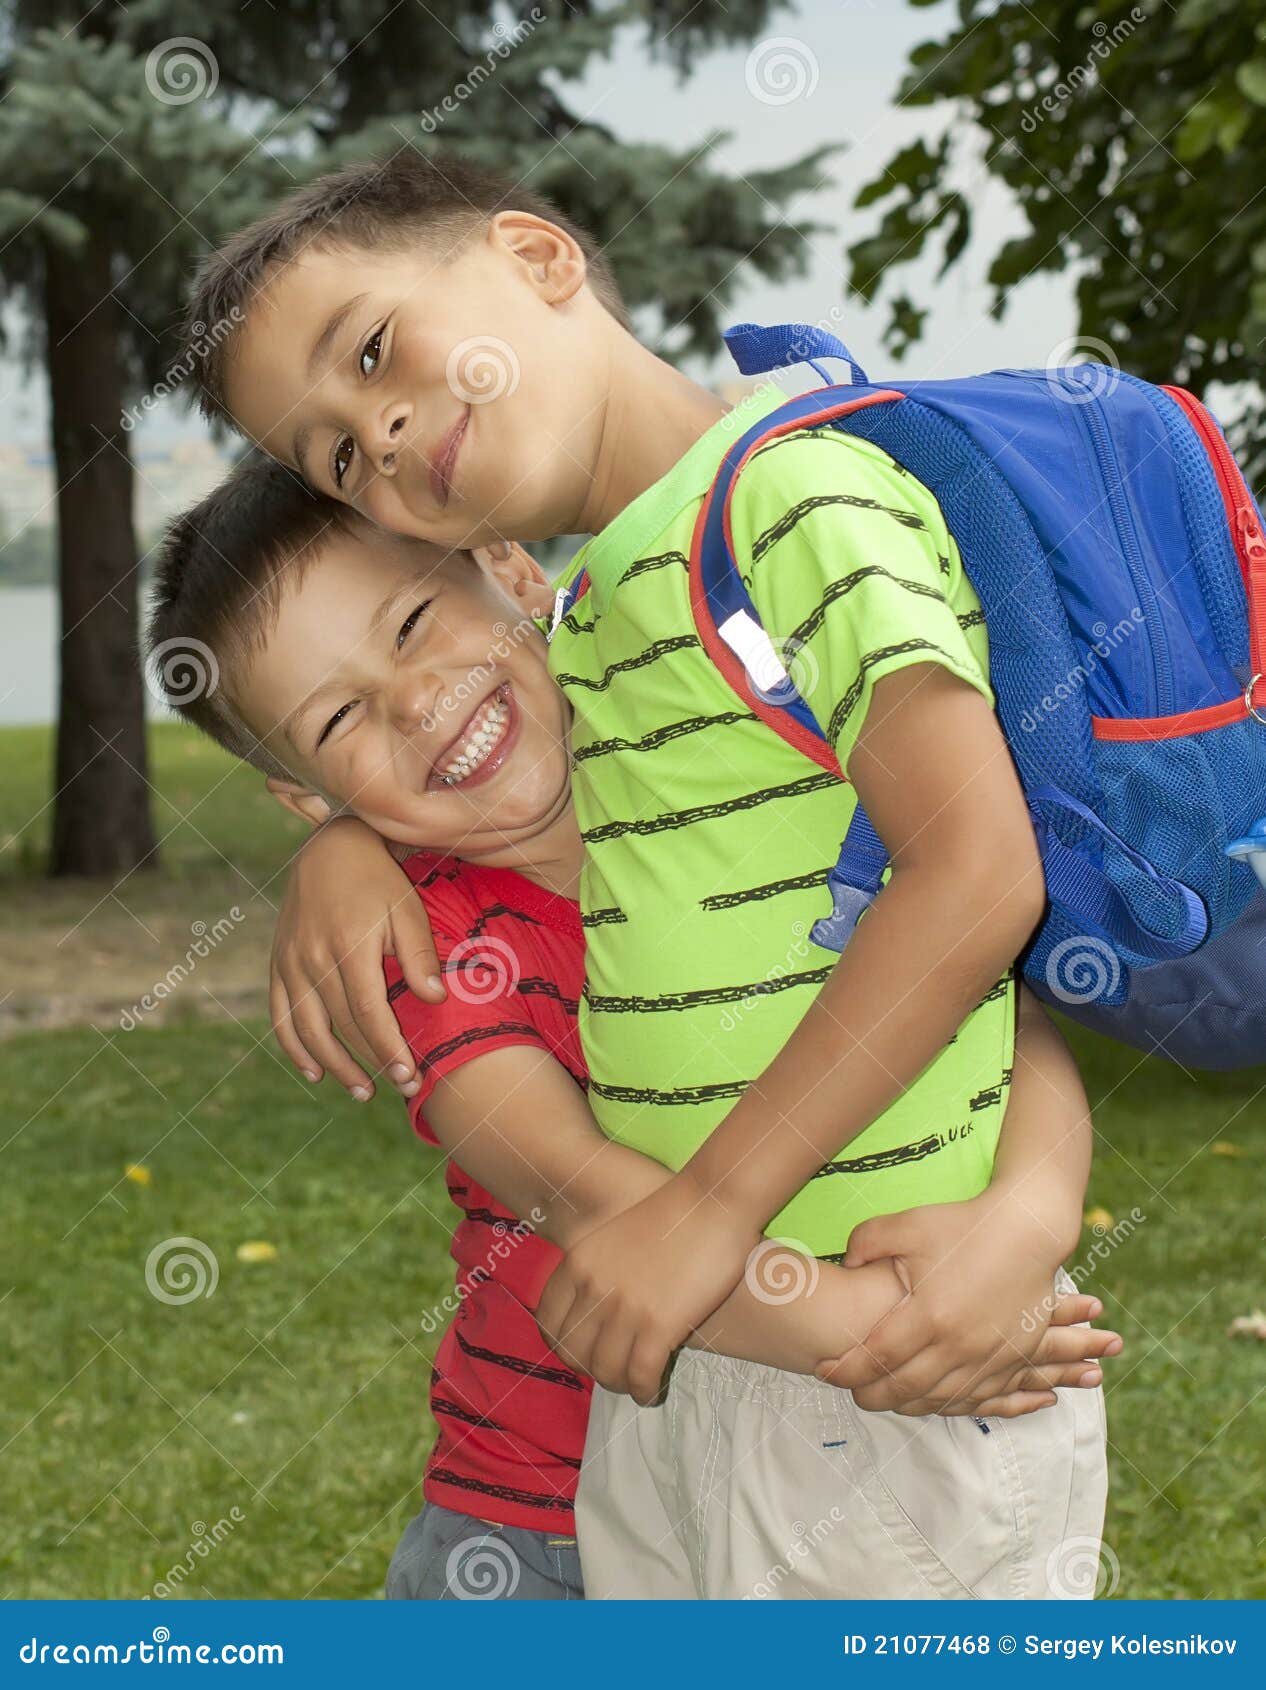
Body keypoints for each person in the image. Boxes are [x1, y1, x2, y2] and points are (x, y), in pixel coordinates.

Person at [179, 152, 1112, 1596]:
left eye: (371, 354)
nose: (381, 429)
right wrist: (345, 844)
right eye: (340, 455)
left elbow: (980, 914)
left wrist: (1023, 1225)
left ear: (540, 258)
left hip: (861, 1376)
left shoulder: (777, 513)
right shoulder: (613, 638)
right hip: (681, 1419)